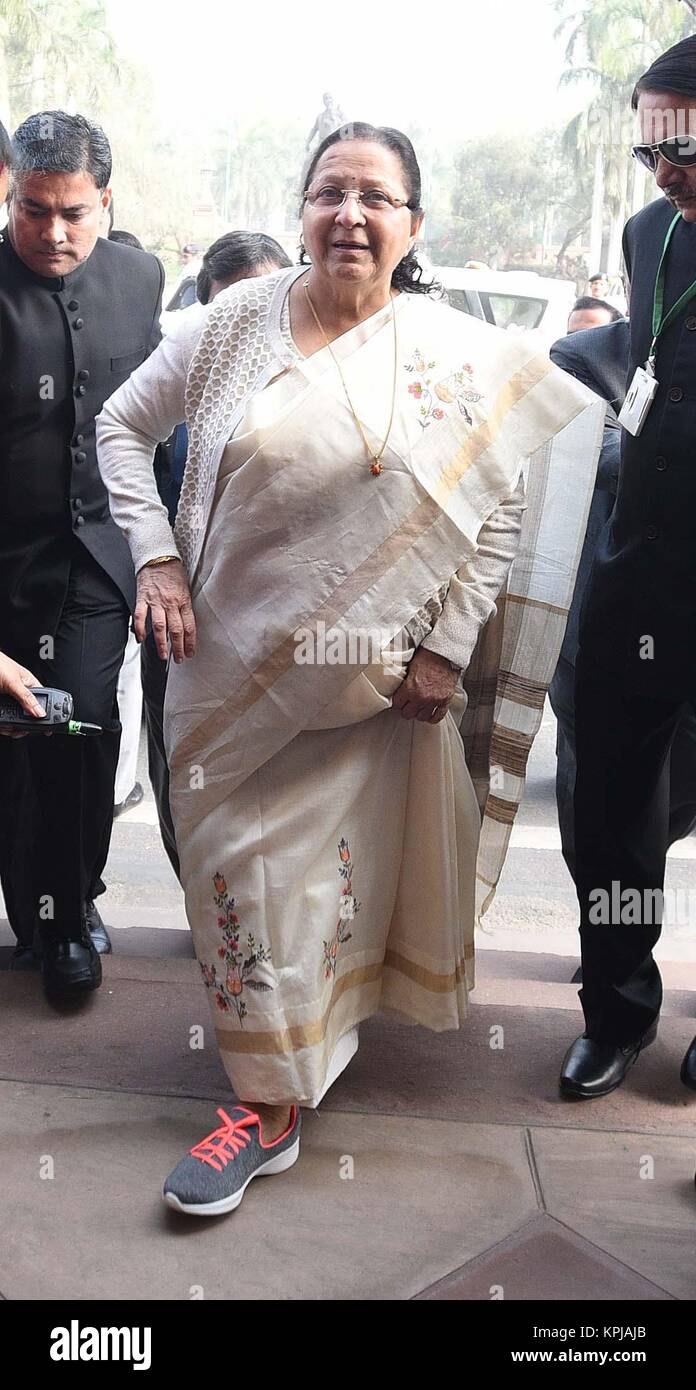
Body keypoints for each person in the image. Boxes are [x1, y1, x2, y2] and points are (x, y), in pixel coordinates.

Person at [97, 123, 601, 1216]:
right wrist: (158, 560)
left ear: (415, 224)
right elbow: (120, 425)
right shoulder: (233, 322)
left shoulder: (454, 351)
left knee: (322, 887)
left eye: (377, 196)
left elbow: (502, 504)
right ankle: (269, 1088)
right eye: (330, 191)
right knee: (235, 878)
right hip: (224, 674)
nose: (351, 215)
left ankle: (266, 1099)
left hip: (374, 685)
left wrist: (447, 647)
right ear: (302, 207)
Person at [0, 110, 164, 996]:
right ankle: (36, 909)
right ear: (9, 193)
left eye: (73, 212)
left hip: (97, 563)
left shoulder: (141, 277)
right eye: (32, 210)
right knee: (14, 745)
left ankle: (66, 912)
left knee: (82, 730)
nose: (53, 233)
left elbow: (147, 423)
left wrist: (156, 554)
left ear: (106, 200)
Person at [561, 35, 696, 1102]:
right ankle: (616, 1008)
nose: (666, 174)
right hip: (639, 559)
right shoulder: (650, 232)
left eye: (684, 147)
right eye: (651, 150)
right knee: (604, 795)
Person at [142, 231, 292, 876]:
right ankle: (202, 896)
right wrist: (155, 561)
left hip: (287, 626)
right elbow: (123, 457)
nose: (243, 323)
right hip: (182, 621)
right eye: (227, 309)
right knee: (180, 756)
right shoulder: (173, 389)